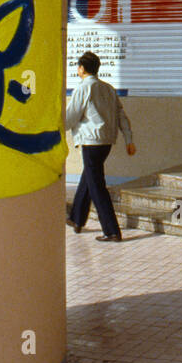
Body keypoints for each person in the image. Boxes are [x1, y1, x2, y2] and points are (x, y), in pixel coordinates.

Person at [66, 51, 135, 242]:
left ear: (82, 68)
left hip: (91, 141)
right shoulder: (109, 89)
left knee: (97, 186)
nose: (77, 69)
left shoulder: (83, 88)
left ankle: (111, 230)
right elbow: (121, 116)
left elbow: (71, 116)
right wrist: (128, 139)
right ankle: (76, 219)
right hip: (106, 142)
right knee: (89, 177)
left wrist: (53, 130)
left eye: (78, 66)